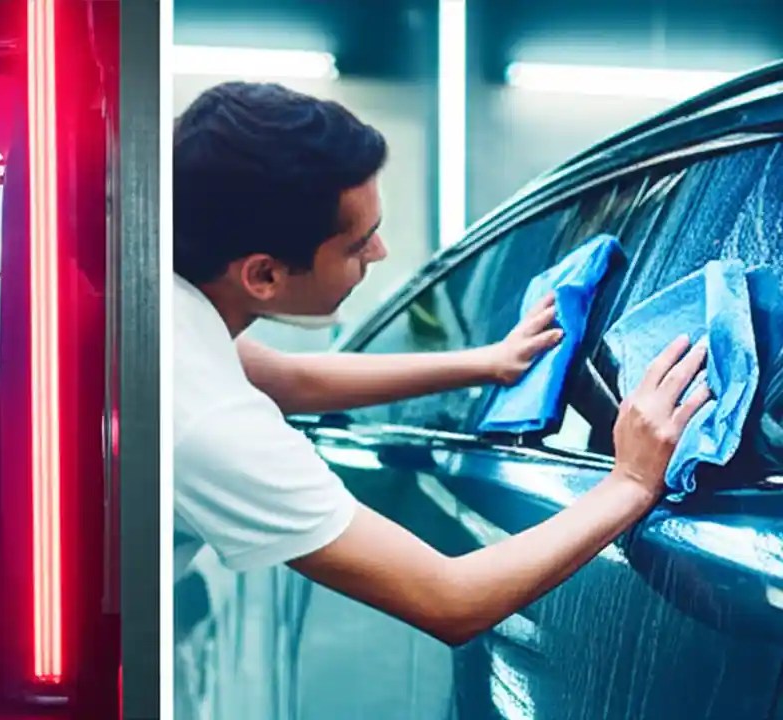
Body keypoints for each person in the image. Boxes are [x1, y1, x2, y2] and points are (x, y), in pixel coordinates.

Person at [172, 81, 710, 646]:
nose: (380, 252)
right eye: (358, 244)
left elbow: (288, 379)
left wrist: (491, 363)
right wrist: (630, 482)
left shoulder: (174, 315)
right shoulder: (213, 421)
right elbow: (449, 599)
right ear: (263, 275)